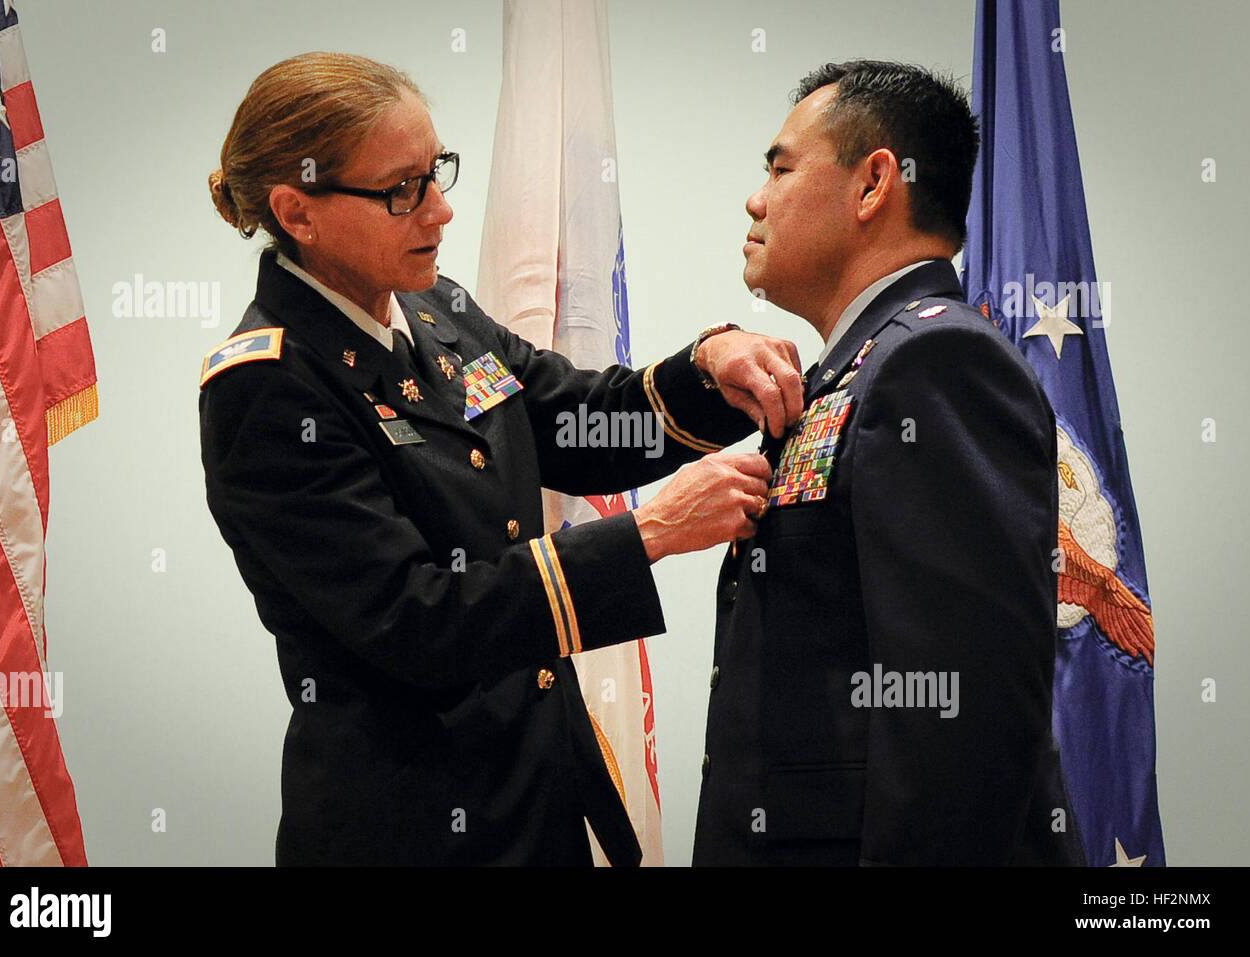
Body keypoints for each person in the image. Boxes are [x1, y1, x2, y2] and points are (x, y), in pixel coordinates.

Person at [199, 52, 803, 866]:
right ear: (296, 212)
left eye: (437, 171)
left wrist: (709, 369)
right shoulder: (268, 383)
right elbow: (419, 618)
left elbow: (581, 420)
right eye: (401, 189)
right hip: (410, 825)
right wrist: (647, 535)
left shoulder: (433, 308)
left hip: (538, 792)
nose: (441, 211)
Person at [692, 60, 1088, 866]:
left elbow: (962, 720)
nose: (755, 198)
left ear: (875, 184)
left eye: (779, 167)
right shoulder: (855, 372)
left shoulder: (933, 360)